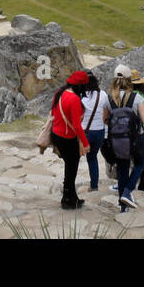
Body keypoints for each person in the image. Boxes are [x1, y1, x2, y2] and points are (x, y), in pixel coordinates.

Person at [106, 64, 144, 211]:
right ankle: (128, 191)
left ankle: (123, 206)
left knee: (122, 169)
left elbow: (105, 118)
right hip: (137, 138)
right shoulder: (136, 98)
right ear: (129, 80)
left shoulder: (109, 98)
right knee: (140, 164)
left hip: (117, 139)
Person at [50, 70, 91, 209]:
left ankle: (72, 197)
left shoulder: (59, 93)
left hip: (56, 135)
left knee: (70, 167)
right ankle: (67, 199)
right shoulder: (74, 99)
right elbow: (77, 125)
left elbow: (53, 113)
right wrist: (85, 143)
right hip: (67, 138)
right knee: (71, 169)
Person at [79, 71, 109, 192]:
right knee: (93, 158)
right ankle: (94, 186)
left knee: (75, 159)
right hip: (99, 132)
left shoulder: (81, 96)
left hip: (84, 132)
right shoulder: (103, 95)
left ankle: (70, 185)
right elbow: (107, 114)